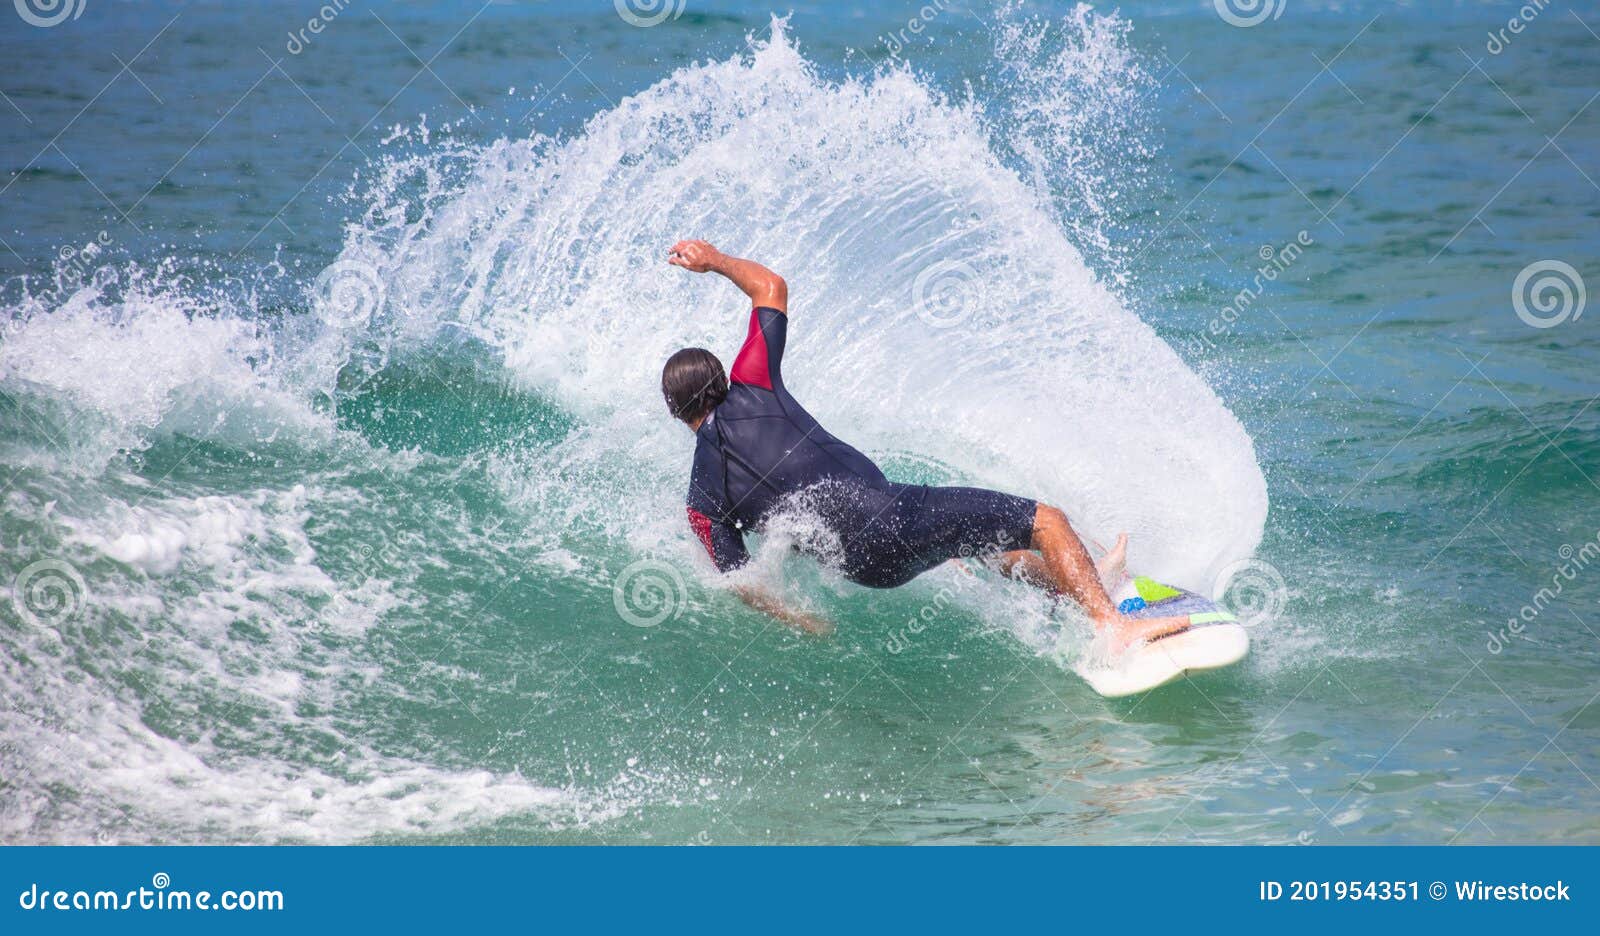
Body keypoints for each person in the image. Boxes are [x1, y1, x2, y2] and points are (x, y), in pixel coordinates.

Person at [661, 239, 1188, 648]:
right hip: (892, 516)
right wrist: (713, 260)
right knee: (1047, 520)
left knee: (975, 543)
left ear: (676, 412)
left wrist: (800, 620)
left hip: (868, 571)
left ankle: (1069, 584)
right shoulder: (751, 384)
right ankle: (1111, 625)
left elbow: (741, 579)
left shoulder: (701, 500)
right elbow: (770, 286)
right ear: (722, 379)